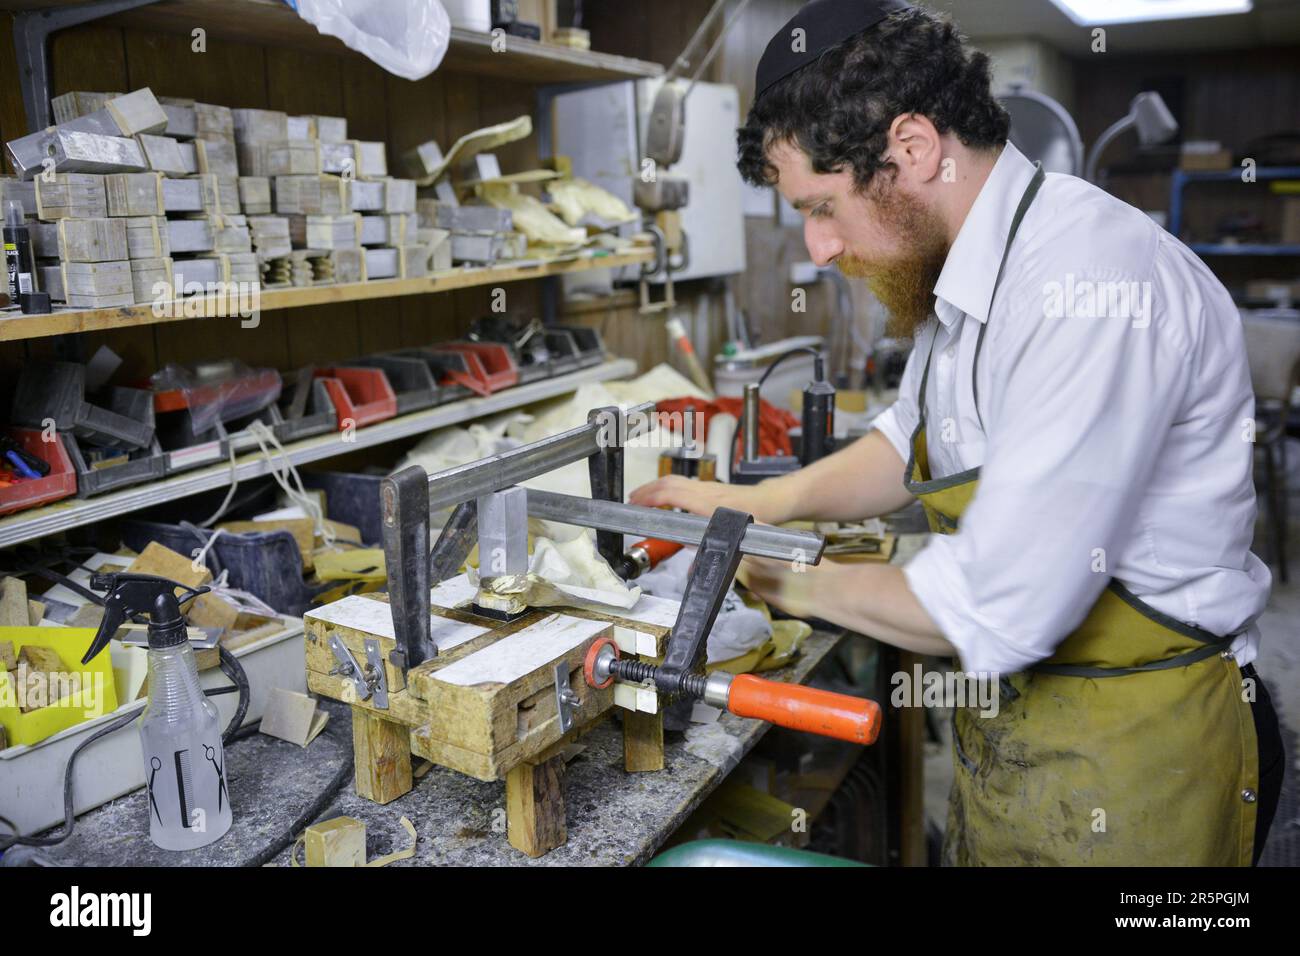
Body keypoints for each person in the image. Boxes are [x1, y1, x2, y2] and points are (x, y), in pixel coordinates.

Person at [630, 0, 1283, 866]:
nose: (818, 248)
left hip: (1143, 751)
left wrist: (769, 572)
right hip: (1025, 729)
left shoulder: (1085, 285)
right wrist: (754, 502)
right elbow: (911, 436)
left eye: (823, 206)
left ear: (912, 148)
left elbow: (996, 605)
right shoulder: (968, 269)